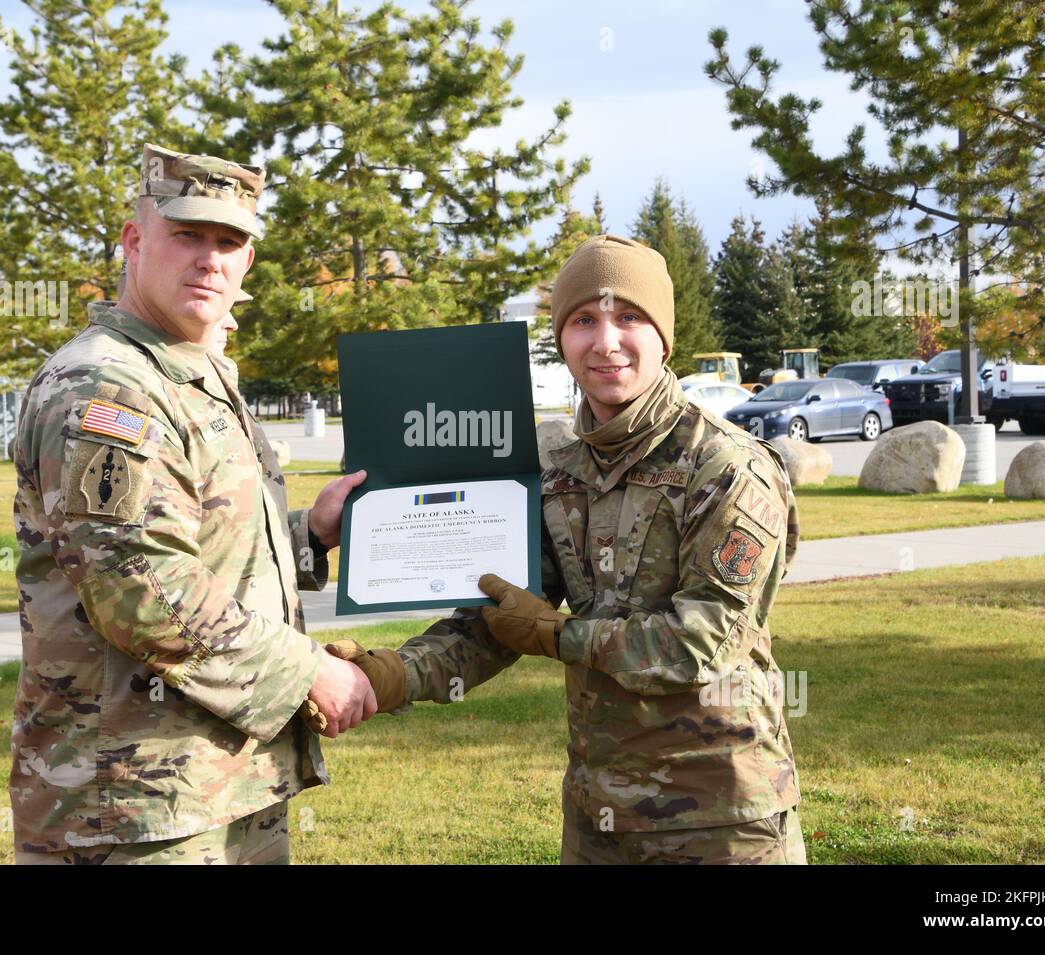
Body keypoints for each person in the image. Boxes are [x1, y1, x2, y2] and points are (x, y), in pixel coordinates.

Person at [337, 234, 805, 864]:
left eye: (629, 318)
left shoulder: (726, 467)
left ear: (664, 338)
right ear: (561, 339)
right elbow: (499, 618)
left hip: (721, 817)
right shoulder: (559, 472)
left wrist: (559, 637)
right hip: (597, 815)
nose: (606, 342)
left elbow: (704, 642)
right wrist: (389, 675)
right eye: (584, 320)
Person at [9, 143, 375, 865]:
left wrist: (311, 534)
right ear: (135, 240)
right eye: (188, 235)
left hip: (217, 786)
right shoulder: (106, 388)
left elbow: (195, 542)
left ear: (246, 262)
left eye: (229, 241)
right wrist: (307, 670)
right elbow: (142, 589)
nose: (210, 259)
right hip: (130, 808)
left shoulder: (189, 371)